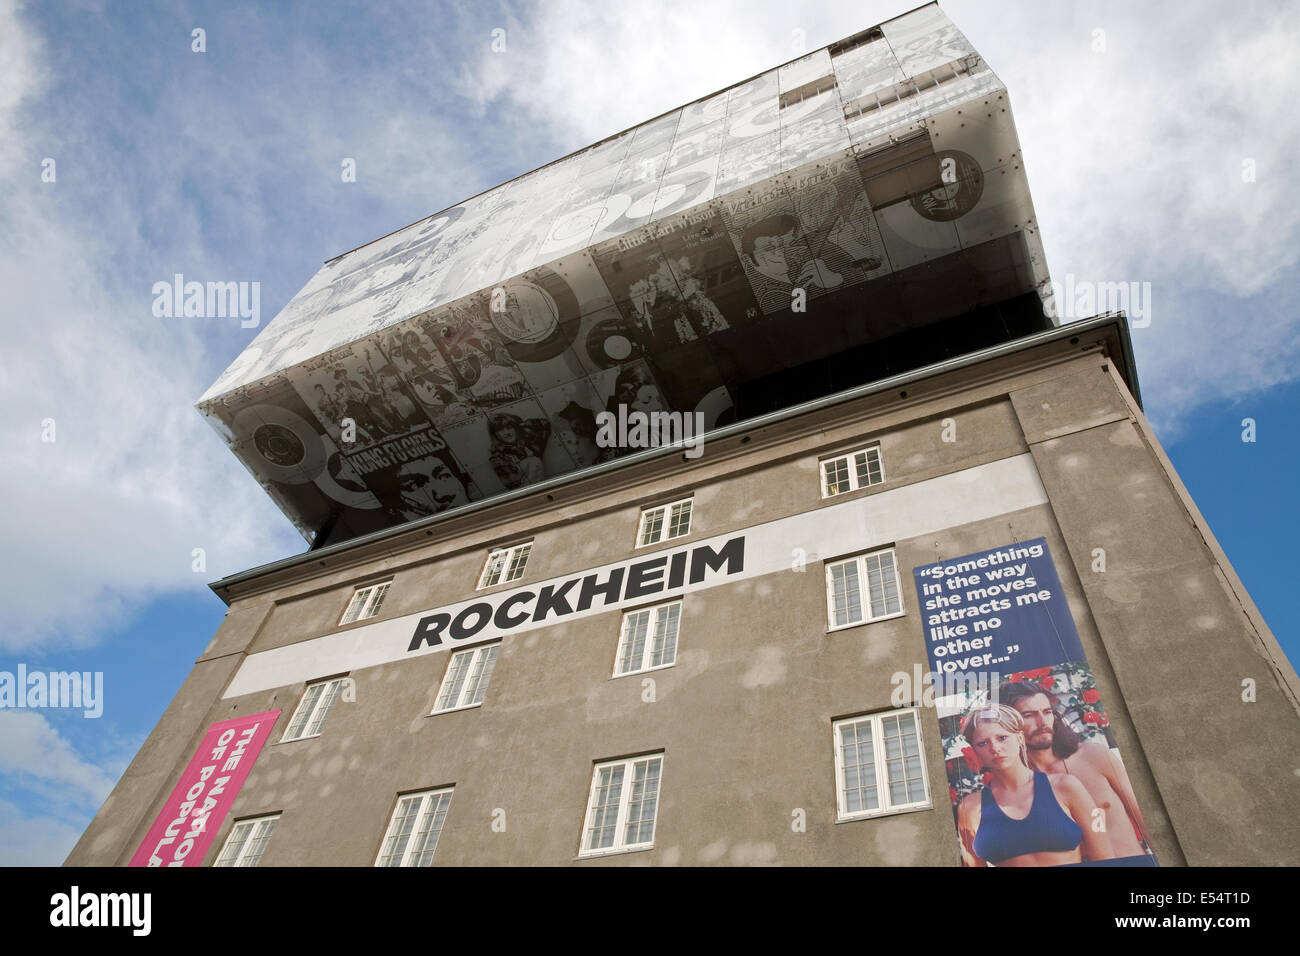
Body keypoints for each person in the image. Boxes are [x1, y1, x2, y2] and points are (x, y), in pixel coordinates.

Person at [999, 680, 1151, 858]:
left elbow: (1146, 820)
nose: (1042, 722)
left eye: (1047, 712)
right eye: (1029, 715)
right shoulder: (1017, 788)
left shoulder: (1094, 756)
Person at [957, 704, 1114, 867]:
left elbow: (1106, 856)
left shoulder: (1067, 786)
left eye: (1002, 738)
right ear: (974, 750)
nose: (995, 748)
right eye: (983, 743)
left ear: (1019, 738)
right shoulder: (969, 808)